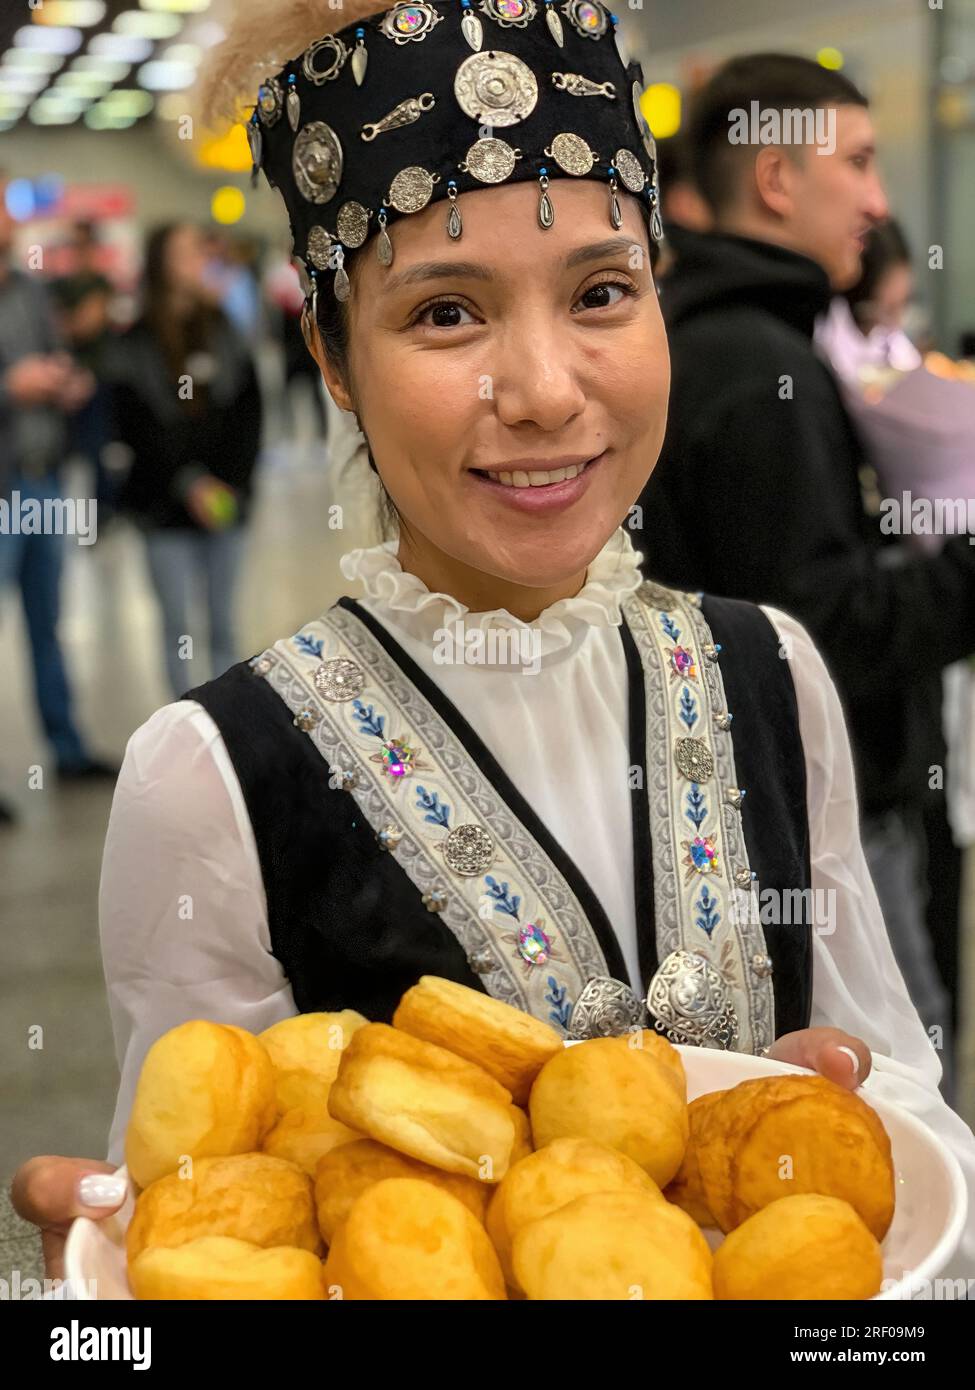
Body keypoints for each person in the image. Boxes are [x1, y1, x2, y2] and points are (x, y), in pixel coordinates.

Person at [11, 3, 975, 1282]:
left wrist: (863, 1112)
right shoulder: (214, 778)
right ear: (332, 356)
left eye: (601, 292)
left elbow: (899, 1114)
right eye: (446, 313)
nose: (546, 390)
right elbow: (206, 1209)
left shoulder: (773, 673)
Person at [631, 53, 975, 1093]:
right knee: (900, 1100)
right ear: (778, 180)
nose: (878, 199)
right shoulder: (755, 368)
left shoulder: (730, 334)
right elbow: (819, 631)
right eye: (859, 163)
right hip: (827, 813)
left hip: (759, 809)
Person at [105, 222, 263, 698]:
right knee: (178, 628)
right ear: (161, 265)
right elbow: (133, 424)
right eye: (188, 251)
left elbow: (249, 412)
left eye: (201, 251)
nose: (200, 259)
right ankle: (184, 729)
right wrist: (190, 483)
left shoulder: (223, 328)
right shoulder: (134, 340)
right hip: (164, 507)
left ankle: (227, 730)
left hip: (227, 502)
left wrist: (228, 483)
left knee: (223, 624)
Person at [0, 175, 117, 785]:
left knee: (49, 624)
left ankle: (67, 751)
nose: (10, 219)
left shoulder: (28, 290)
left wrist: (68, 380)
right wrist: (10, 388)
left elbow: (60, 355)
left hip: (41, 481)